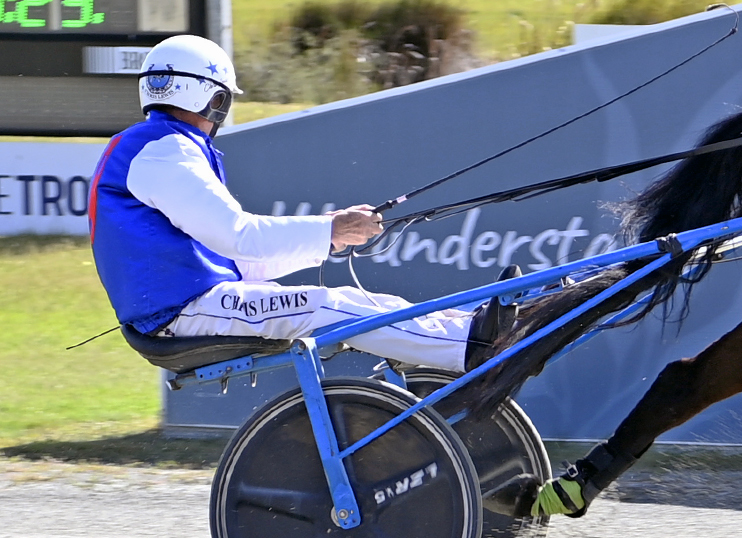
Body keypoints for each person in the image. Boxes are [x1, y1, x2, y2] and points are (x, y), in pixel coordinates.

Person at [91, 33, 516, 372]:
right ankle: (470, 347)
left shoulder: (155, 148)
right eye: (224, 100)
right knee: (333, 305)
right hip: (182, 315)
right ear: (212, 98)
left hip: (190, 305)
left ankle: (465, 331)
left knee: (355, 303)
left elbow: (238, 260)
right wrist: (330, 229)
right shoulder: (165, 152)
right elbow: (241, 238)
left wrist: (326, 238)